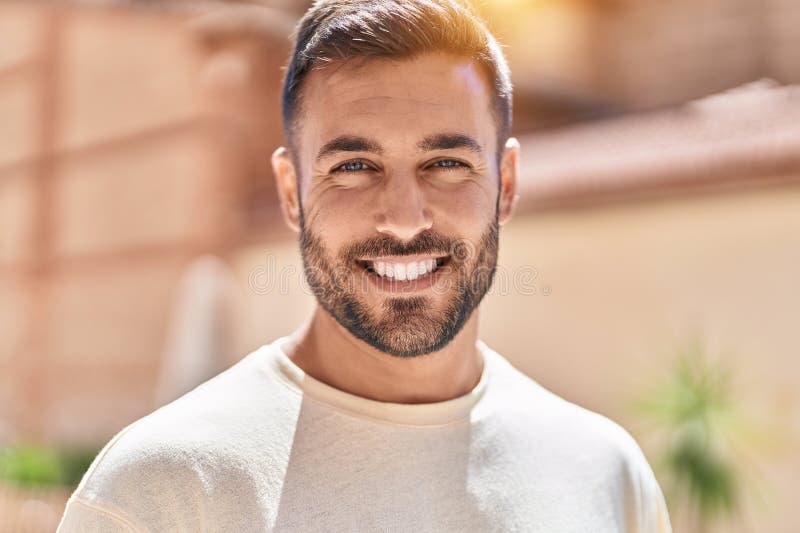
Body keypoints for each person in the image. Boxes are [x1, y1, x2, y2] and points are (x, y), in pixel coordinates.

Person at [58, 0, 672, 531]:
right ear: (292, 193)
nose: (404, 219)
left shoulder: (606, 474)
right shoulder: (157, 492)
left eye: (446, 163)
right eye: (353, 166)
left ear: (506, 183)